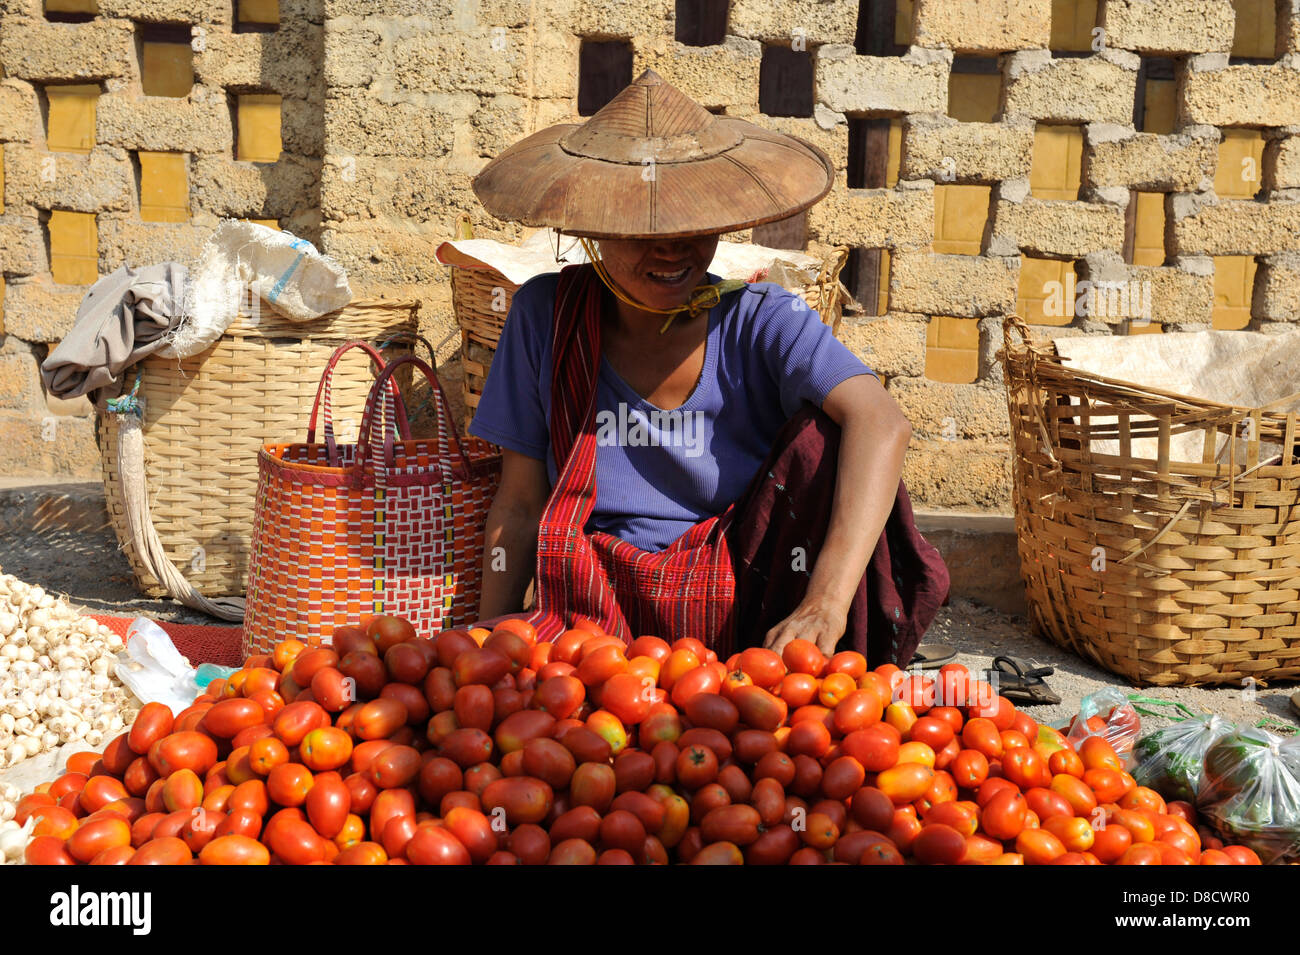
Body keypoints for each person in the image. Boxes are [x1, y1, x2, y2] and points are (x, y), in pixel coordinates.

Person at [467, 70, 948, 664]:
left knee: (825, 440)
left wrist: (824, 600)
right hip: (595, 616)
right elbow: (518, 502)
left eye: (694, 225)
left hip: (745, 602)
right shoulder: (546, 316)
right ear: (592, 230)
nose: (673, 248)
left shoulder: (761, 318)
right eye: (645, 229)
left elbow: (883, 422)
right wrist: (490, 639)